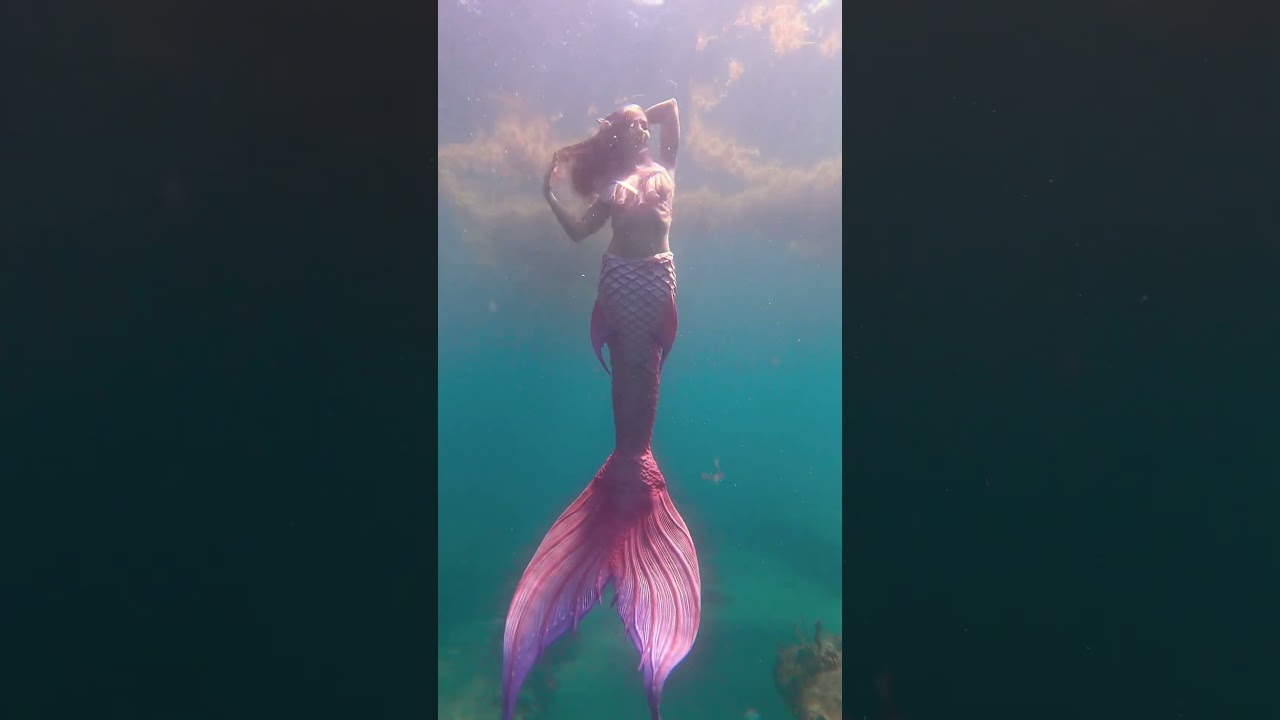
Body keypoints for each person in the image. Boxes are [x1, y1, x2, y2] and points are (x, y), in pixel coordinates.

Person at [501, 99, 700, 720]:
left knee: (644, 385)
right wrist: (549, 194)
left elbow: (671, 117)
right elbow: (580, 231)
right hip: (620, 282)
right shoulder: (617, 183)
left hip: (655, 280)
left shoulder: (664, 162)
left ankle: (630, 482)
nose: (642, 126)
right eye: (630, 123)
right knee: (630, 393)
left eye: (642, 123)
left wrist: (641, 107)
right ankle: (628, 484)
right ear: (620, 136)